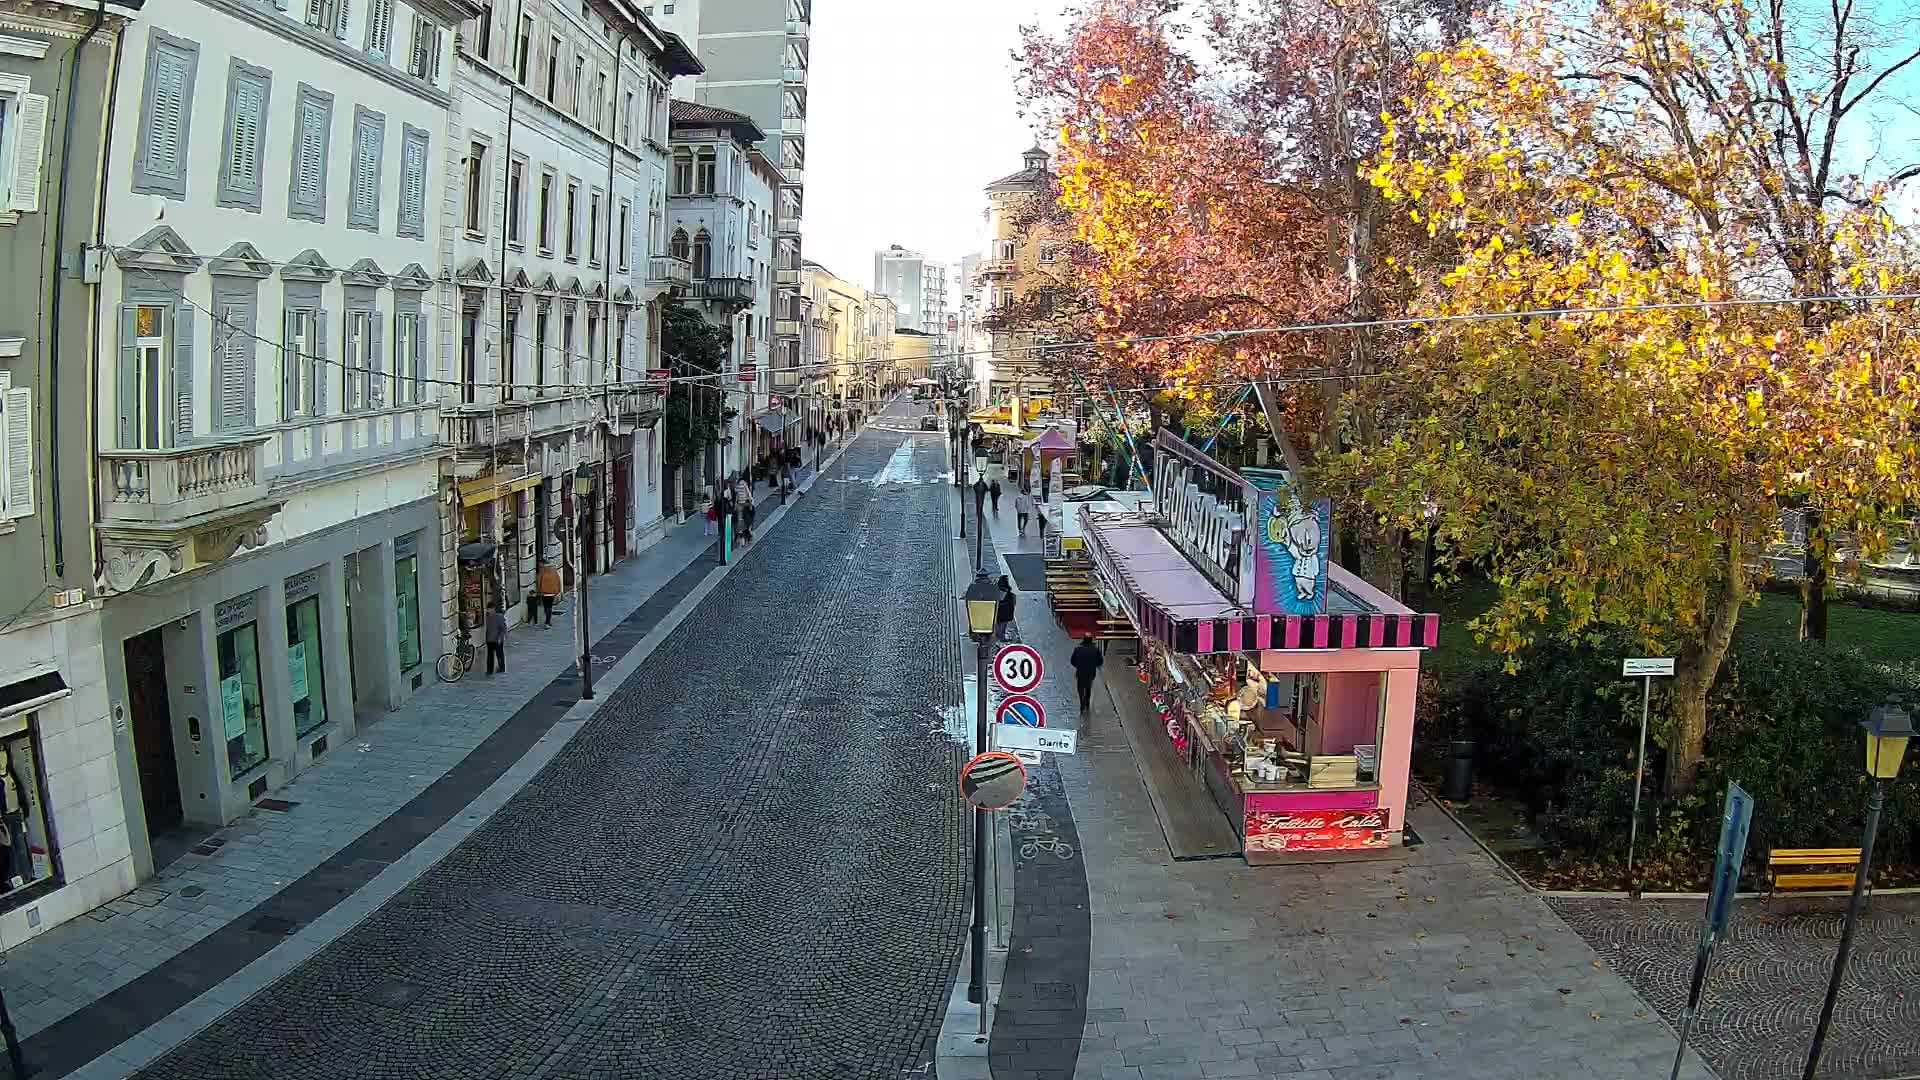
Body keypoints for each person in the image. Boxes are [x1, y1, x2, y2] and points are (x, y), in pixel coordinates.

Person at [1072, 634, 1105, 713]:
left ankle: (1081, 701)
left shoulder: (1078, 649)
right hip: (1090, 672)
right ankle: (1087, 701)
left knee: (1080, 687)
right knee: (1088, 687)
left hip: (1080, 672)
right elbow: (1100, 661)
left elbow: (1073, 661)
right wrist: (1094, 665)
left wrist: (1078, 665)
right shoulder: (1095, 650)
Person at [484, 602, 507, 675]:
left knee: (499, 654)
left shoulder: (499, 617)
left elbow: (503, 628)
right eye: (487, 609)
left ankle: (502, 668)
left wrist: (501, 637)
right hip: (489, 639)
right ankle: (489, 670)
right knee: (490, 656)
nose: (488, 611)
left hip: (497, 639)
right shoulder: (487, 617)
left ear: (493, 609)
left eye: (489, 609)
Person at [734, 474, 756, 542]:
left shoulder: (736, 485)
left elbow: (736, 496)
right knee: (748, 519)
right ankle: (748, 533)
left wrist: (736, 504)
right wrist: (751, 502)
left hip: (740, 505)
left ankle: (740, 534)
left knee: (740, 519)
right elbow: (749, 494)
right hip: (746, 504)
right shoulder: (744, 483)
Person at [995, 575, 1017, 641]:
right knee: (1003, 626)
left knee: (998, 625)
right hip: (1007, 614)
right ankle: (1001, 636)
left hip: (998, 613)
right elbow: (1013, 603)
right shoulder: (1011, 594)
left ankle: (998, 636)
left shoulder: (996, 593)